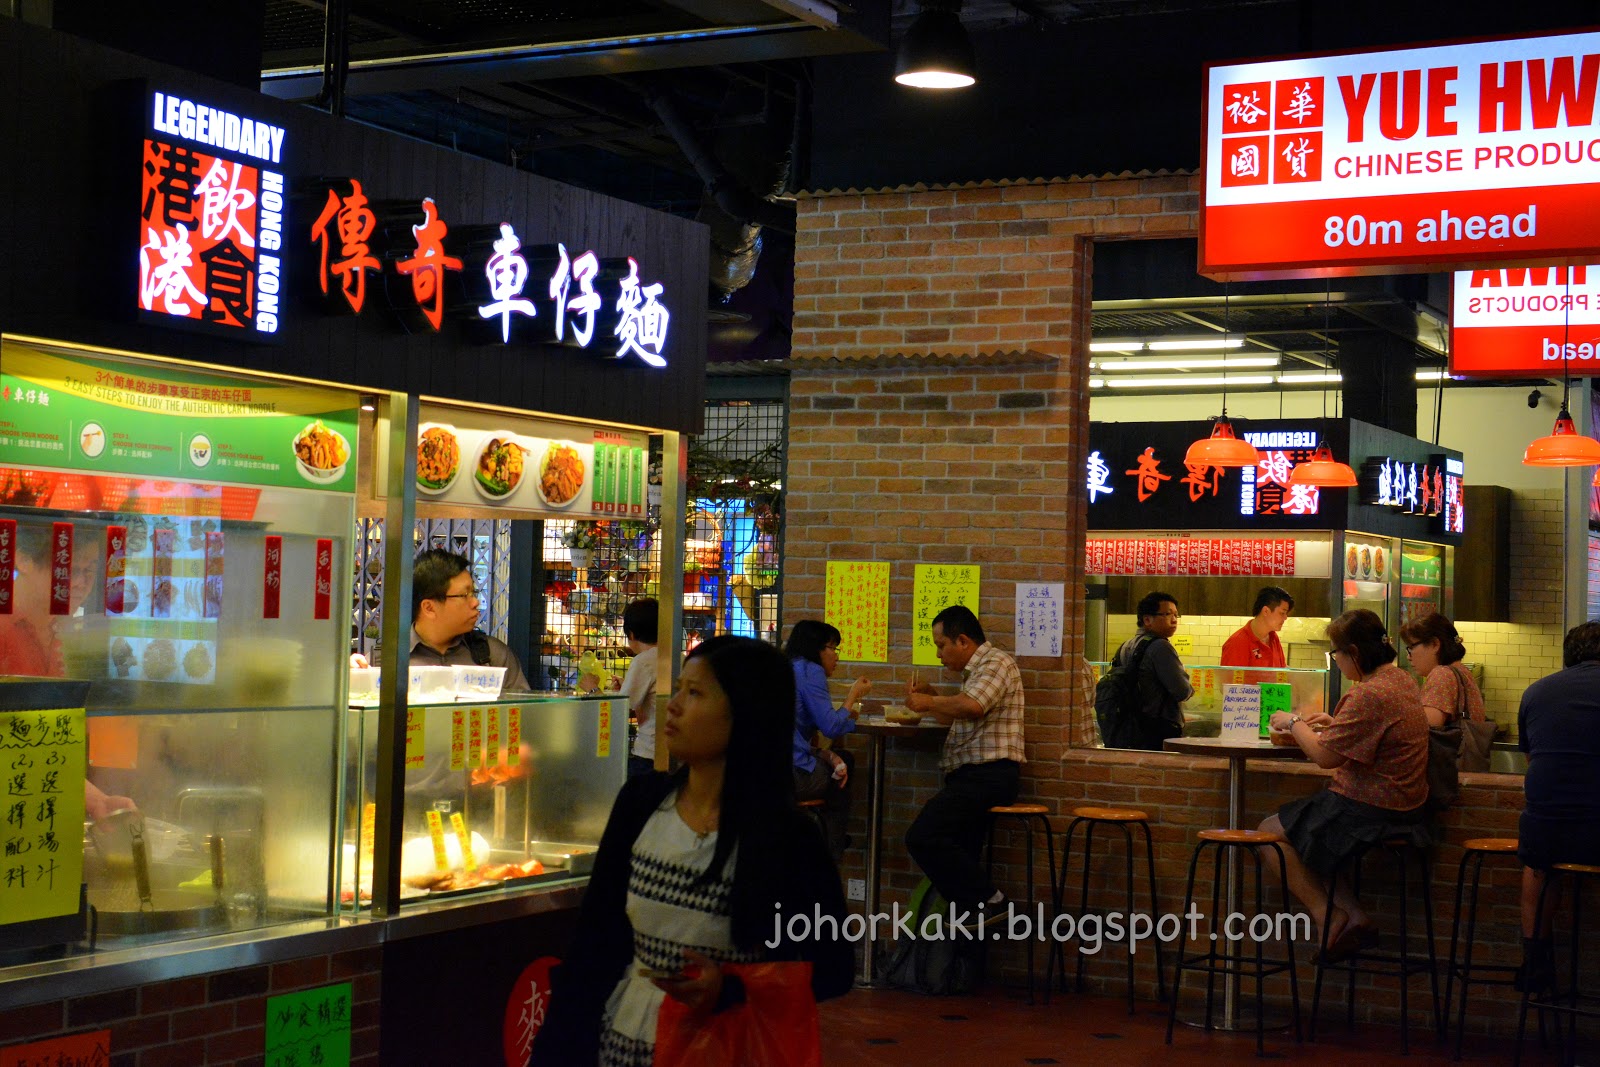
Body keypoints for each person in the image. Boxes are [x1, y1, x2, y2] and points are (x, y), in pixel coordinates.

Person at [529, 636, 852, 1066]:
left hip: (727, 1048)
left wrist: (732, 989)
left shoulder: (788, 838)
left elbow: (833, 966)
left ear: (746, 712)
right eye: (678, 688)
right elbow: (596, 939)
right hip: (623, 1043)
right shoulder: (641, 803)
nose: (673, 705)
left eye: (694, 693)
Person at [1260, 609, 1430, 961]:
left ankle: (1328, 916)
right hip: (1404, 806)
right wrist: (1336, 724)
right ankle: (1354, 916)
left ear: (1353, 652)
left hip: (1368, 808)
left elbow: (1325, 757)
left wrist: (1292, 722)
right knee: (1312, 835)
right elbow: (1373, 734)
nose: (1336, 661)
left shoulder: (1368, 693)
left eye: (1336, 653)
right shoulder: (1402, 680)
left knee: (1269, 835)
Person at [903, 605, 1024, 917]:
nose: (939, 655)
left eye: (942, 646)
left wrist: (930, 701)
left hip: (988, 775)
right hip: (974, 777)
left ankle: (992, 901)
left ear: (963, 642)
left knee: (922, 836)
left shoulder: (996, 662)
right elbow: (961, 710)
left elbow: (973, 707)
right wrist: (932, 701)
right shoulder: (976, 674)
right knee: (961, 856)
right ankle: (972, 929)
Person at [1513, 621, 1600, 992]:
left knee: (1537, 869)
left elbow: (1533, 760)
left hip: (1546, 827)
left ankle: (1536, 959)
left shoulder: (1536, 692)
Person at [361, 548, 530, 694]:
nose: (475, 602)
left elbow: (522, 718)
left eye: (474, 593)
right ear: (429, 608)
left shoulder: (492, 655)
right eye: (465, 595)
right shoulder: (383, 661)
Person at [785, 619, 871, 859]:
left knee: (838, 759)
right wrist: (853, 695)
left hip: (766, 772)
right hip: (791, 777)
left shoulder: (786, 668)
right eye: (832, 648)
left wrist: (827, 754)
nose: (836, 656)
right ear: (816, 648)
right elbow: (831, 727)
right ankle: (831, 849)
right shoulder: (811, 671)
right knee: (846, 764)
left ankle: (822, 842)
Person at [1110, 591, 1193, 751]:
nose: (1174, 620)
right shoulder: (1160, 646)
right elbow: (1182, 691)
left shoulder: (1125, 646)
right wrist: (1189, 687)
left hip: (1131, 727)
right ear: (1147, 620)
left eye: (1176, 614)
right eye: (1168, 614)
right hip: (1158, 730)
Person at [1398, 611, 1489, 735]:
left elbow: (1423, 729)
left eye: (1411, 647)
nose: (1408, 656)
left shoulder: (1442, 675)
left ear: (1435, 644)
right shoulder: (1461, 671)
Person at [621, 599, 661, 779]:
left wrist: (592, 690)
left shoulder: (643, 661)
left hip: (648, 753)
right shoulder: (677, 656)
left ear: (631, 633)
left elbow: (622, 707)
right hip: (672, 752)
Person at [1219, 586, 1293, 669]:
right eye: (1282, 613)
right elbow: (1229, 680)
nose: (1285, 617)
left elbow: (1281, 670)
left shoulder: (1273, 637)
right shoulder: (1237, 643)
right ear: (1266, 611)